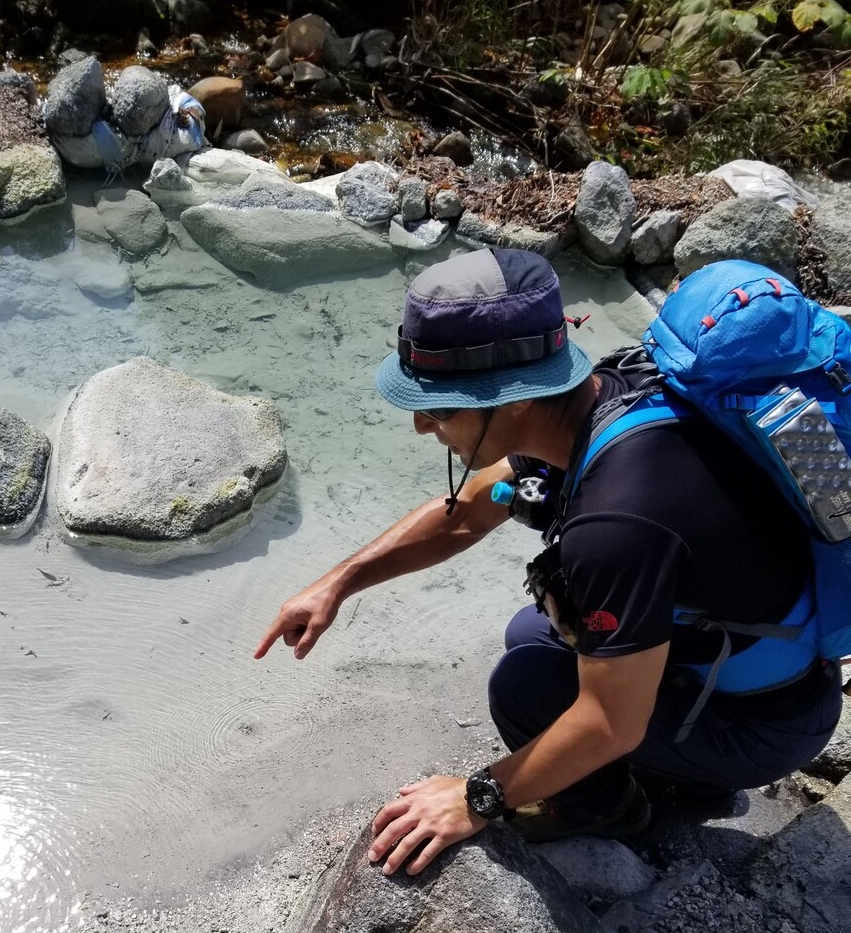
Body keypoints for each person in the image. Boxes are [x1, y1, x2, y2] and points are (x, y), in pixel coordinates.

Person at [254, 247, 843, 877]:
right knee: (530, 634)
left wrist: (477, 796)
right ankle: (672, 764)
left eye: (440, 408)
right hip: (755, 661)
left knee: (526, 688)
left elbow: (611, 723)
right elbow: (469, 511)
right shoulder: (607, 395)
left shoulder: (620, 520)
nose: (422, 428)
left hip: (766, 725)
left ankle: (612, 810)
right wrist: (338, 583)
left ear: (514, 402)